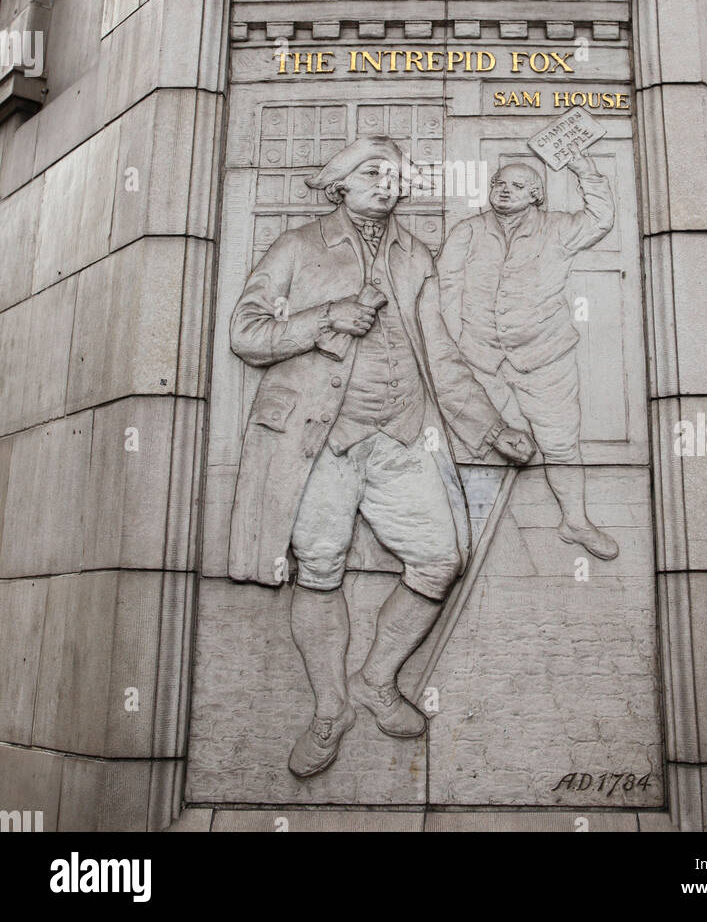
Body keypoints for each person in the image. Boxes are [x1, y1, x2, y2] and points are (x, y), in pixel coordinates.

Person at [227, 135, 533, 778]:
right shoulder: (297, 247)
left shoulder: (414, 253)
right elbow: (246, 333)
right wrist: (327, 316)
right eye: (373, 171)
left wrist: (488, 424)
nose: (387, 183)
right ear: (339, 179)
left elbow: (441, 352)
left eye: (396, 175)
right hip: (318, 438)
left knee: (441, 557)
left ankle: (377, 679)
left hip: (401, 432)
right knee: (319, 566)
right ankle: (329, 708)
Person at [437, 152, 618, 559]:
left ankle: (575, 521)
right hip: (479, 357)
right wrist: (457, 342)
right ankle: (456, 531)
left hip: (544, 355)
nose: (505, 191)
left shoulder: (558, 228)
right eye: (499, 183)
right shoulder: (468, 231)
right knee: (470, 439)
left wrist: (586, 173)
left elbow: (601, 220)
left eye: (517, 186)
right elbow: (446, 288)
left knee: (560, 442)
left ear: (536, 194)